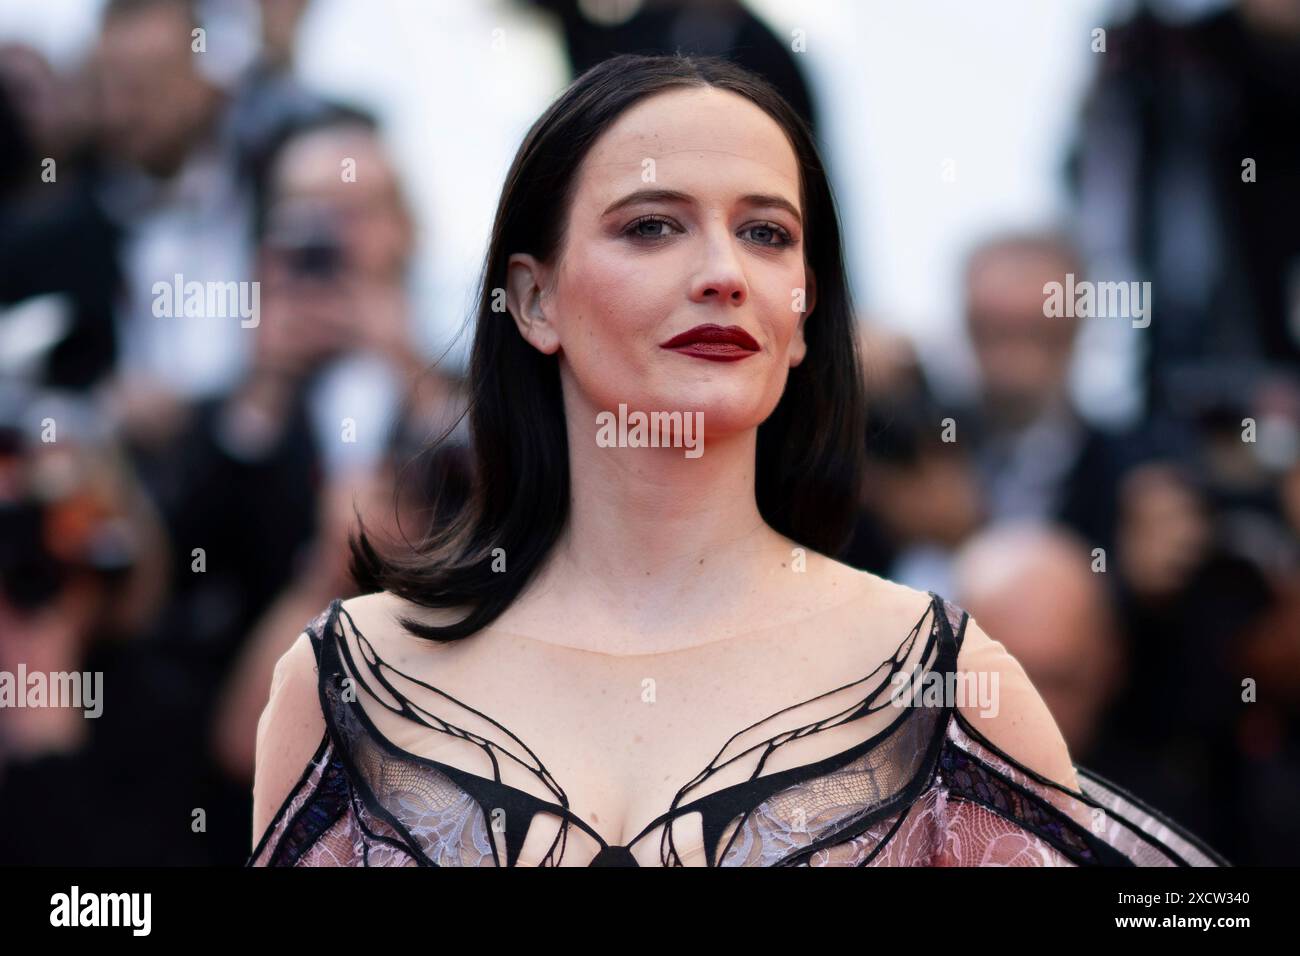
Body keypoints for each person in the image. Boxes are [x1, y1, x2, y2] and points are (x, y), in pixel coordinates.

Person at [247, 53, 1227, 867]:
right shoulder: (349, 679)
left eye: (765, 232)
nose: (720, 272)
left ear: (801, 313)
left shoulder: (939, 684)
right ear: (533, 298)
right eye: (651, 225)